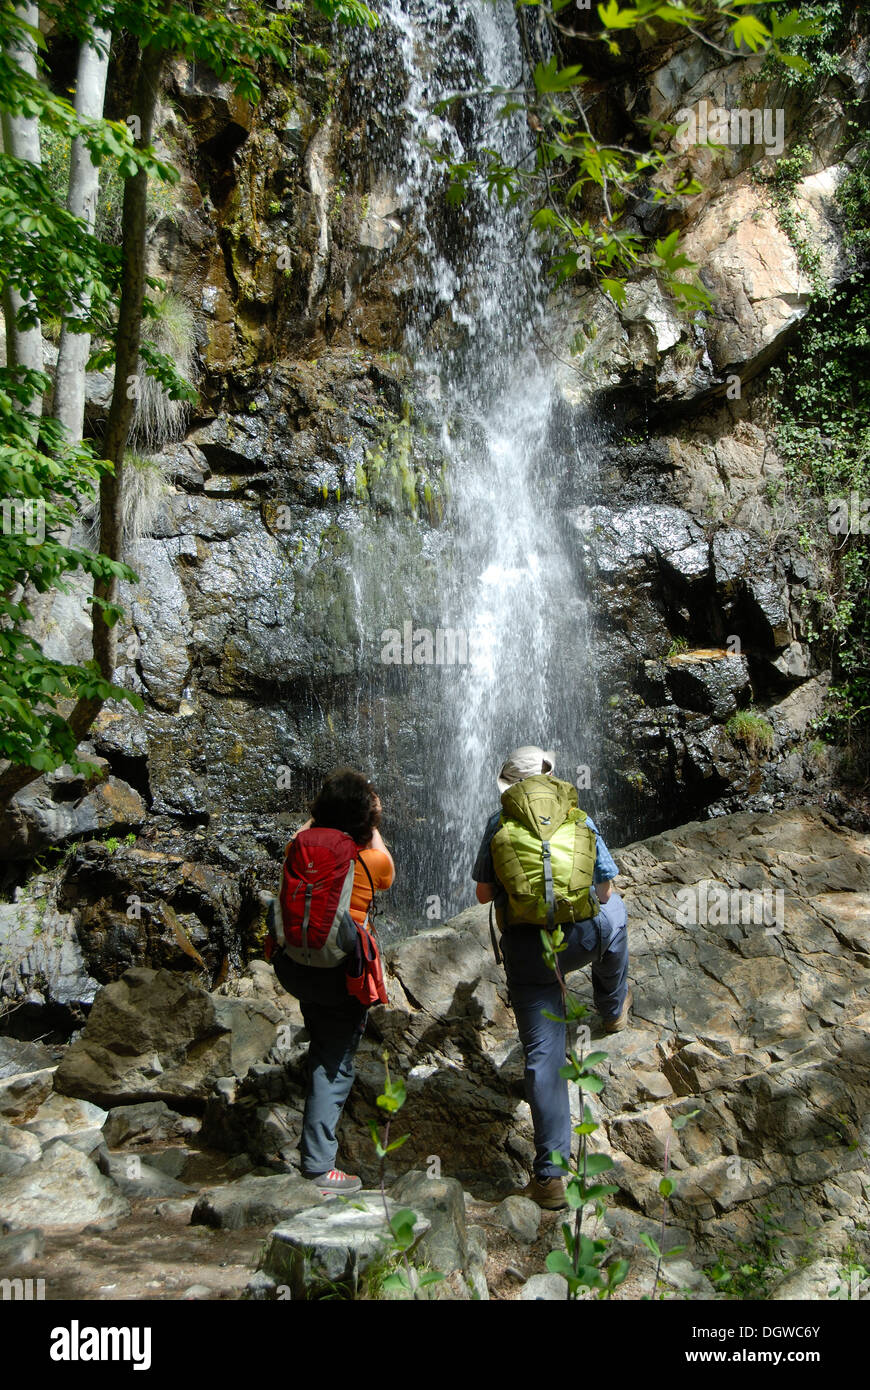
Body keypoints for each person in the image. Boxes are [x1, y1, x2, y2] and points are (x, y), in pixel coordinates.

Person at [472, 745, 630, 1210]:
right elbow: (604, 888)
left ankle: (550, 1176)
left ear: (510, 786)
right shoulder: (576, 815)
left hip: (529, 954)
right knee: (616, 914)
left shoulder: (499, 823)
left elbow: (482, 894)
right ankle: (612, 1007)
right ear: (550, 776)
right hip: (581, 940)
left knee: (543, 1053)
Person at [271, 768, 394, 1194]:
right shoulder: (370, 859)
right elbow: (388, 871)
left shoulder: (297, 847)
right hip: (342, 975)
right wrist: (371, 826)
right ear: (365, 818)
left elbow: (307, 833)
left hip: (298, 968)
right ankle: (319, 1166)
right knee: (335, 1061)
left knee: (322, 1034)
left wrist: (322, 816)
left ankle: (313, 1142)